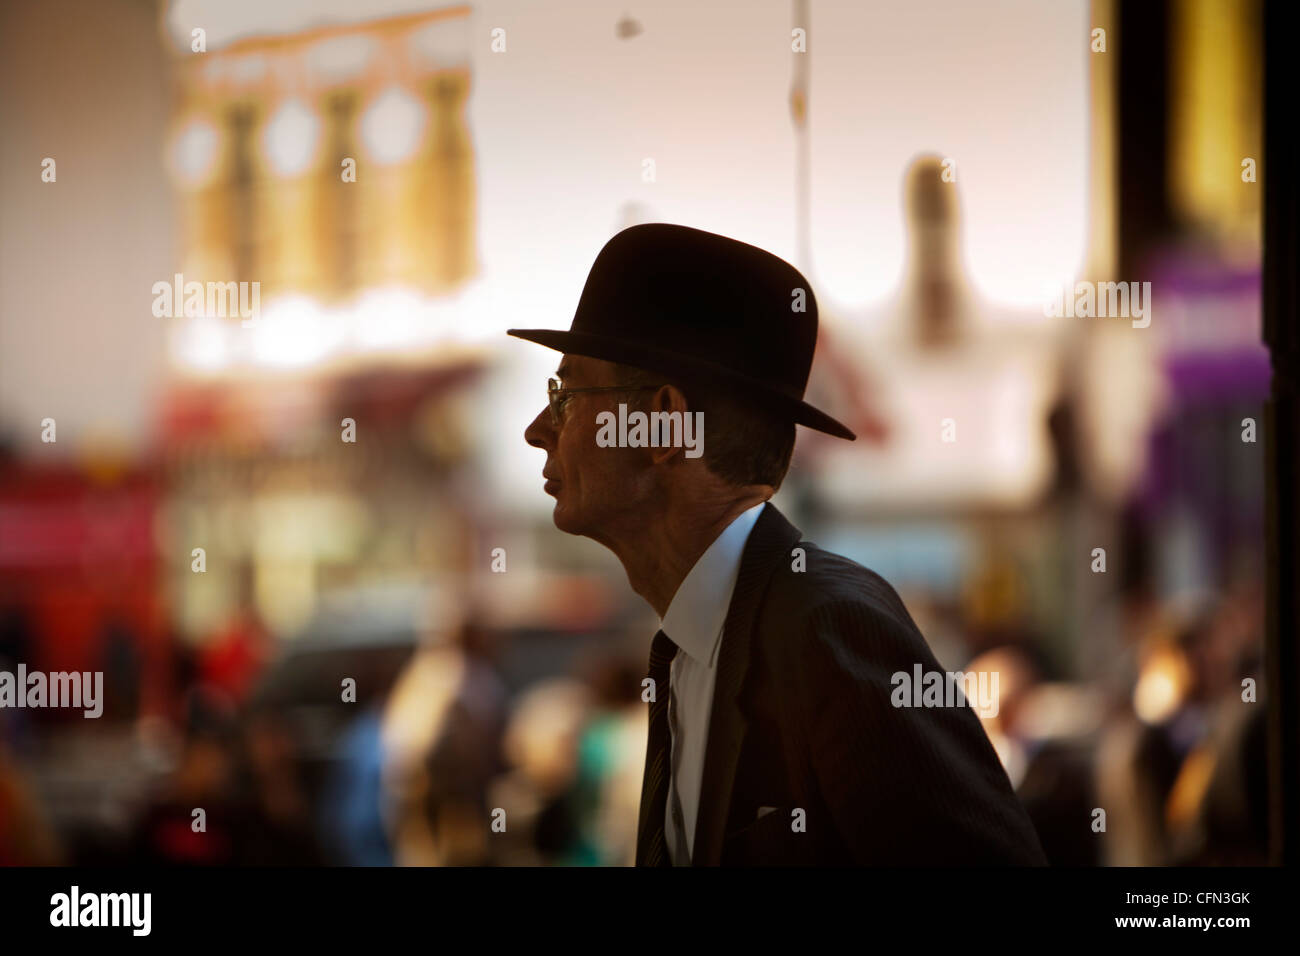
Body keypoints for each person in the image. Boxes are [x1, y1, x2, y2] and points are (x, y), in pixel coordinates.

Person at [509, 223, 1046, 866]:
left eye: (565, 394)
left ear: (661, 422)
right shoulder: (686, 649)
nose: (539, 429)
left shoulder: (827, 628)